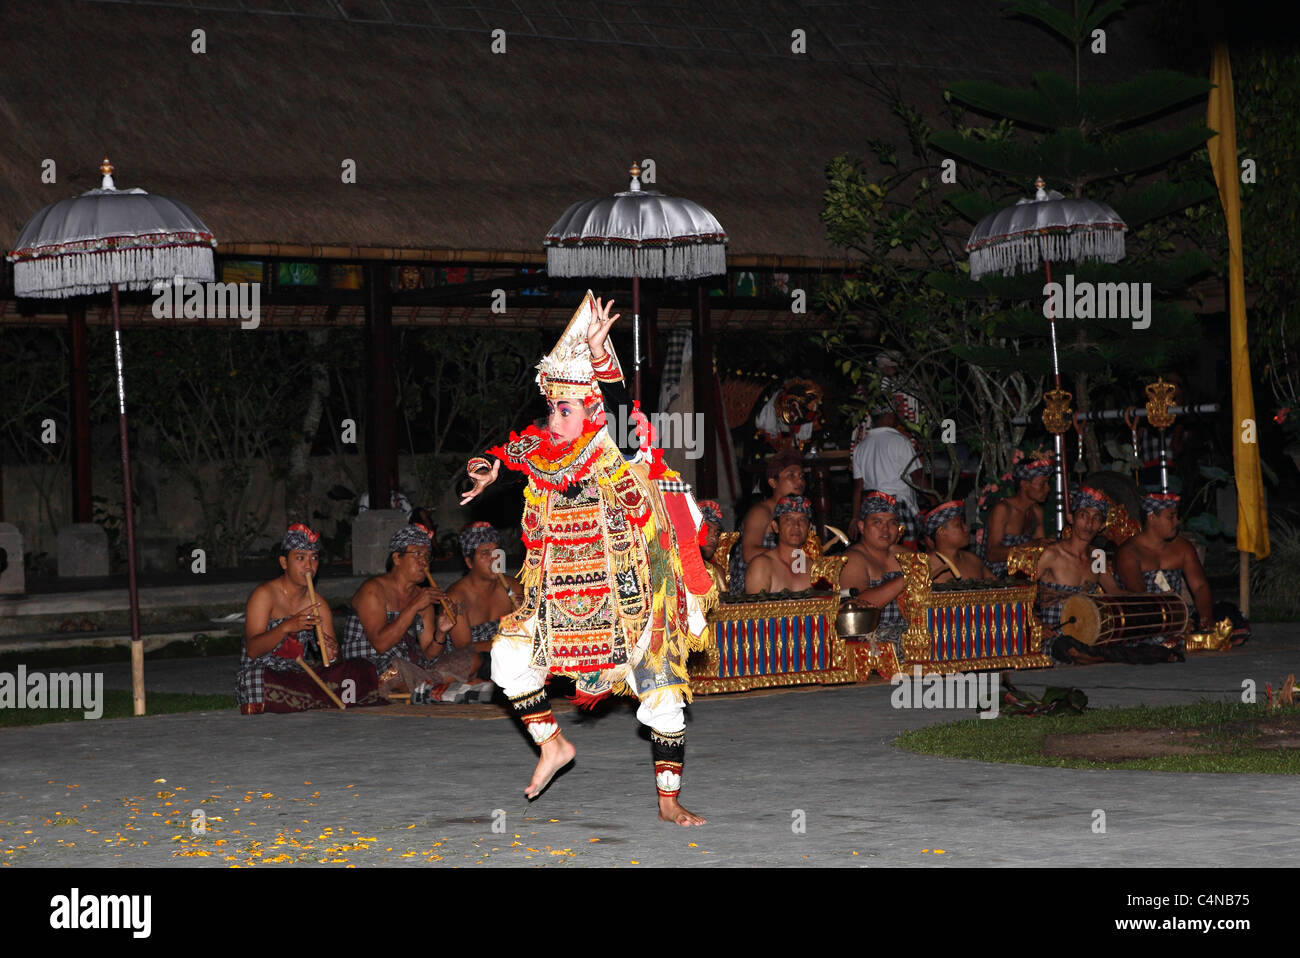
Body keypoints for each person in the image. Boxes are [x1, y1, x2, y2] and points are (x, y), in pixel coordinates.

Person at [459, 292, 718, 826]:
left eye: (567, 408)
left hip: (627, 602)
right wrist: (488, 468)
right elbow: (511, 453)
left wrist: (602, 354)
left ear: (591, 409)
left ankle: (669, 801)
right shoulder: (541, 450)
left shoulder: (611, 445)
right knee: (506, 657)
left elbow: (622, 412)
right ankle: (552, 745)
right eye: (552, 407)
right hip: (561, 603)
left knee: (665, 700)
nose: (556, 419)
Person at [238, 524, 380, 713]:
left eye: (314, 558)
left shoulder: (318, 604)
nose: (308, 566)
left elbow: (332, 663)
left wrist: (332, 652)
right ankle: (313, 698)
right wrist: (286, 627)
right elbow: (252, 650)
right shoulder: (264, 595)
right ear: (283, 563)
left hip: (299, 674)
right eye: (300, 558)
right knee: (253, 678)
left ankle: (305, 699)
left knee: (357, 669)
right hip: (266, 671)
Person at [341, 523, 447, 692]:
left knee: (466, 659)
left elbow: (428, 654)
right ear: (397, 558)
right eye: (417, 554)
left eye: (427, 556)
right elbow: (381, 644)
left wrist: (441, 632)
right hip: (369, 667)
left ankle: (432, 689)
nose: (424, 562)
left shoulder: (421, 596)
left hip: (408, 667)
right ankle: (437, 690)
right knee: (398, 671)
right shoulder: (373, 590)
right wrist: (413, 607)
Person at [428, 521, 522, 702]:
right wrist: (506, 643)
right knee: (469, 660)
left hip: (507, 655)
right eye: (485, 554)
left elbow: (529, 634)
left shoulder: (512, 587)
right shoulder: (457, 597)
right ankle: (484, 684)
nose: (494, 559)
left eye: (496, 552)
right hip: (479, 660)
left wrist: (524, 617)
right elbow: (465, 648)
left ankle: (485, 685)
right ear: (469, 562)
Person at [1033, 488, 1123, 664]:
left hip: (1087, 632)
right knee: (1066, 647)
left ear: (1102, 525)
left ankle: (1092, 655)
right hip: (1056, 635)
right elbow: (1019, 595)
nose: (1089, 524)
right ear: (1070, 518)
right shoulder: (1052, 554)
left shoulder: (1097, 556)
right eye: (1083, 515)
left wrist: (1155, 600)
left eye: (1096, 518)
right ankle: (1085, 657)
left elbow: (1115, 593)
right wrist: (1038, 625)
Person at [1116, 492, 1214, 628]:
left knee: (1229, 615)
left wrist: (1206, 619)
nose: (1177, 521)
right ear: (1152, 518)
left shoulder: (1183, 547)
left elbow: (1200, 587)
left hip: (1178, 613)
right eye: (1171, 517)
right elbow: (1139, 598)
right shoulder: (1129, 552)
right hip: (1143, 618)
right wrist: (1174, 621)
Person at [730, 447, 805, 596]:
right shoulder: (761, 512)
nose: (799, 481)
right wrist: (789, 555)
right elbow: (749, 553)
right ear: (773, 482)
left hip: (786, 576)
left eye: (801, 476)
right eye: (791, 475)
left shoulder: (800, 512)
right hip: (755, 583)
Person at [841, 491, 912, 642]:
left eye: (892, 522)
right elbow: (856, 605)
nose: (885, 529)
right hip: (871, 643)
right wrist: (906, 579)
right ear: (861, 526)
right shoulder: (853, 559)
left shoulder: (905, 555)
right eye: (877, 522)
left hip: (911, 638)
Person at [851, 400, 922, 549]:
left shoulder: (861, 447)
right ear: (890, 416)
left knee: (878, 551)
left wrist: (855, 517)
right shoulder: (900, 441)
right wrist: (935, 502)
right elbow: (918, 478)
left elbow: (858, 487)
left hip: (872, 507)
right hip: (898, 506)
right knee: (905, 555)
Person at [984, 456, 1050, 576]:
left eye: (1047, 483)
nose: (1047, 488)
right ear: (1024, 484)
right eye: (1042, 484)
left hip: (1026, 572)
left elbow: (1041, 546)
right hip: (997, 575)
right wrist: (1026, 547)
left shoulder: (1036, 511)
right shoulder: (1003, 509)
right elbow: (991, 554)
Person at [745, 495, 814, 594]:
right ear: (775, 526)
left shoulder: (813, 568)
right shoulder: (762, 566)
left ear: (809, 528)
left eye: (802, 520)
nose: (796, 526)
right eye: (788, 519)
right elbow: (755, 608)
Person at [921, 501, 991, 582]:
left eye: (963, 523)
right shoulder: (922, 567)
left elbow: (1001, 590)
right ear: (941, 532)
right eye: (959, 524)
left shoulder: (974, 561)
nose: (966, 528)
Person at [696, 499, 728, 594]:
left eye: (717, 533)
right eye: (707, 530)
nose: (713, 538)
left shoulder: (717, 572)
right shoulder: (678, 570)